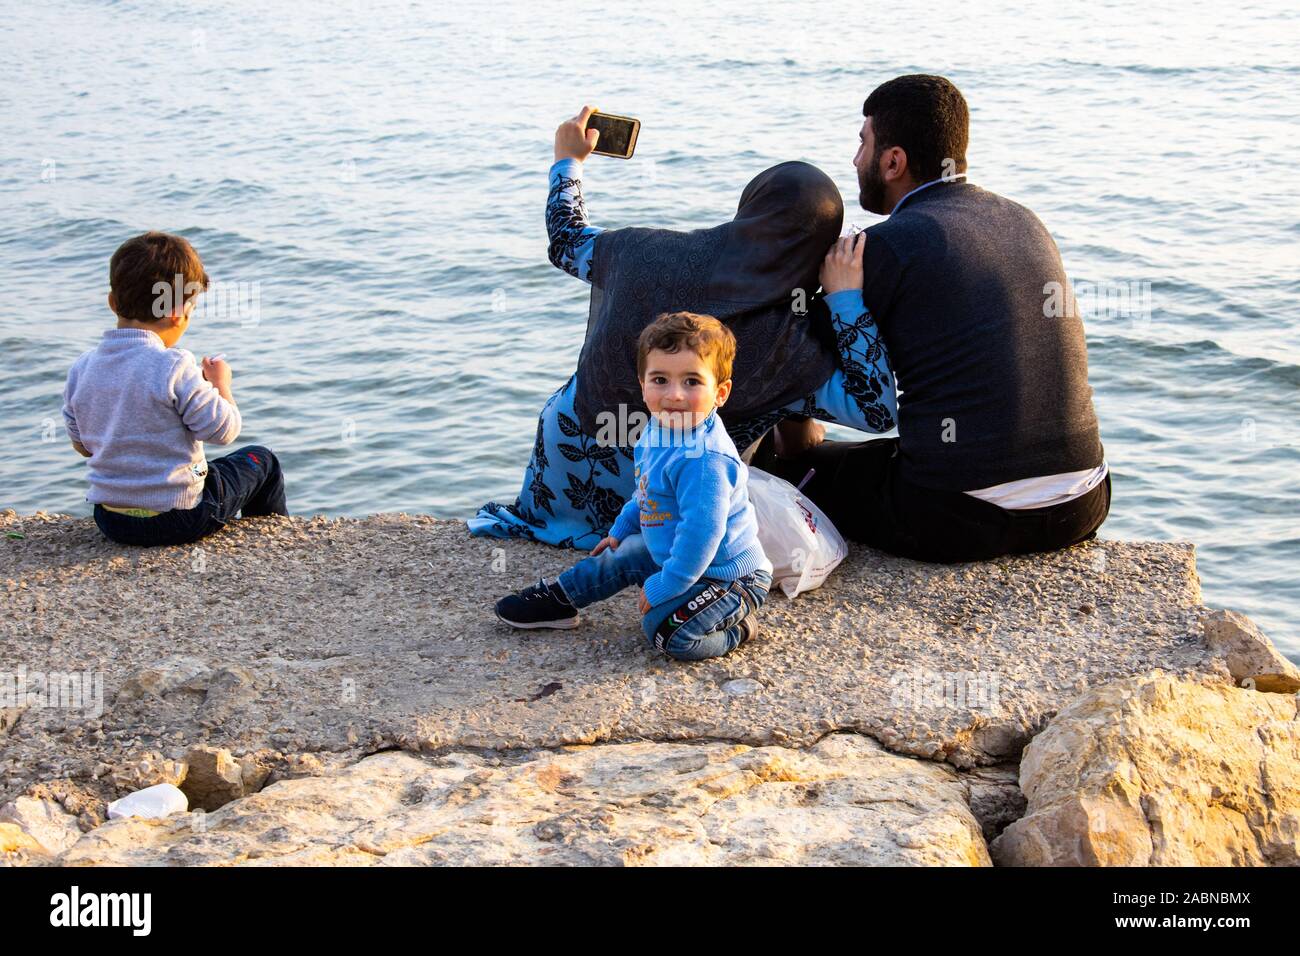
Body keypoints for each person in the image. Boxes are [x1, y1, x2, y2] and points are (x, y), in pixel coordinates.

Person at [467, 105, 898, 551]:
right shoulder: (790, 344)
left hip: (557, 475)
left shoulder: (638, 251)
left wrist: (568, 160)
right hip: (658, 512)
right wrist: (845, 299)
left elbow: (566, 240)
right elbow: (878, 412)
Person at [751, 75, 1110, 562]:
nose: (856, 159)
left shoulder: (884, 247)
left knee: (781, 468)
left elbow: (797, 358)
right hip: (1084, 500)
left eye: (863, 143)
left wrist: (837, 295)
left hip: (958, 516)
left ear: (893, 160)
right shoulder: (1025, 219)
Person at [495, 312, 773, 662]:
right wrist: (623, 527)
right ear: (642, 385)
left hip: (728, 577)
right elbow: (646, 491)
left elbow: (701, 534)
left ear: (720, 392)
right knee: (619, 553)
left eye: (691, 382)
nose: (674, 395)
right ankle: (560, 599)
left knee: (665, 633)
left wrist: (667, 585)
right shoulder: (657, 430)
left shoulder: (705, 460)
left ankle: (739, 628)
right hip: (675, 553)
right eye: (660, 379)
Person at [61, 231, 287, 546]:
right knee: (262, 460)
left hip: (111, 520)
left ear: (113, 303)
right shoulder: (176, 365)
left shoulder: (82, 368)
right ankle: (271, 542)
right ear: (177, 313)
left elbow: (84, 446)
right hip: (178, 518)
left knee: (214, 472)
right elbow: (223, 432)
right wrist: (221, 385)